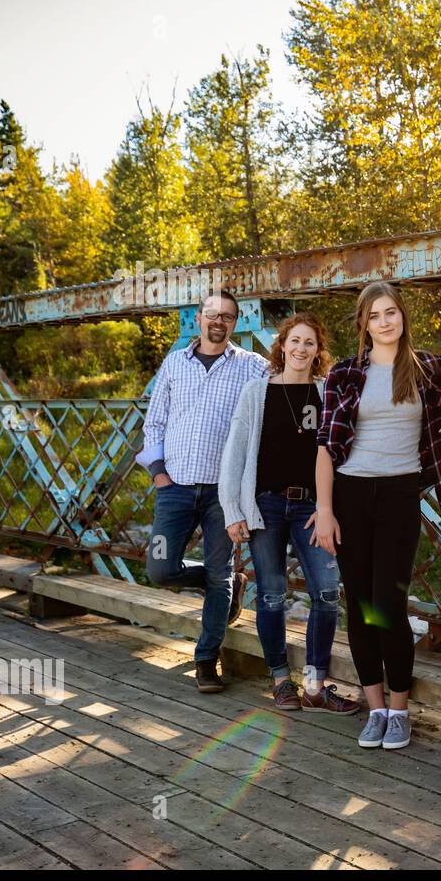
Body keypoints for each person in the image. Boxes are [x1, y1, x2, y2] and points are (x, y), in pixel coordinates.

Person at [311, 282, 441, 751]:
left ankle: (399, 709)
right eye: (375, 316)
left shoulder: (428, 368)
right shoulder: (346, 374)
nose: (385, 321)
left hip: (399, 494)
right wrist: (325, 509)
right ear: (364, 324)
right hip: (351, 494)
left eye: (392, 312)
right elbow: (327, 449)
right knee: (359, 605)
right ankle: (373, 708)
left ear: (402, 318)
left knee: (389, 605)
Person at [219, 311, 359, 716]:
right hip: (264, 505)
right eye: (294, 341)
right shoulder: (256, 392)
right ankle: (281, 681)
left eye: (309, 343)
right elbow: (236, 453)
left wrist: (332, 507)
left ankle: (315, 685)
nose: (301, 349)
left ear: (318, 352)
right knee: (272, 594)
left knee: (328, 592)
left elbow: (339, 450)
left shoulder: (325, 391)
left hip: (313, 508)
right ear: (282, 346)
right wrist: (233, 509)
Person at [139, 288, 268, 693]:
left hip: (222, 494)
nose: (219, 321)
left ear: (236, 322)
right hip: (174, 486)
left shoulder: (253, 367)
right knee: (159, 570)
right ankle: (231, 583)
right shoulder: (175, 363)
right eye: (212, 314)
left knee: (218, 574)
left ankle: (205, 660)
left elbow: (292, 381)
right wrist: (159, 472)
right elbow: (154, 422)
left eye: (227, 316)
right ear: (199, 318)